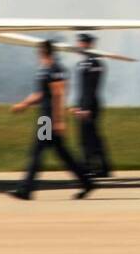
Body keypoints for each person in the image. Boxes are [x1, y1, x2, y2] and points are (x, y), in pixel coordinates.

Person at [10, 40, 93, 200]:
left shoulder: (56, 70)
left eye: (39, 52)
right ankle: (87, 182)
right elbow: (40, 94)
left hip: (49, 119)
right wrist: (24, 104)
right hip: (45, 117)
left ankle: (25, 190)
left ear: (43, 52)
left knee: (37, 153)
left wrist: (59, 121)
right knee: (62, 154)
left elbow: (59, 96)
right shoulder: (44, 70)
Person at [70, 33, 111, 177]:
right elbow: (80, 87)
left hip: (91, 103)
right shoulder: (82, 64)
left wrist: (86, 108)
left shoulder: (95, 64)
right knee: (85, 136)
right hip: (83, 102)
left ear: (89, 44)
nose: (79, 45)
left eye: (81, 43)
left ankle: (94, 166)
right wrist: (77, 104)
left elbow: (91, 87)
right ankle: (94, 165)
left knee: (90, 137)